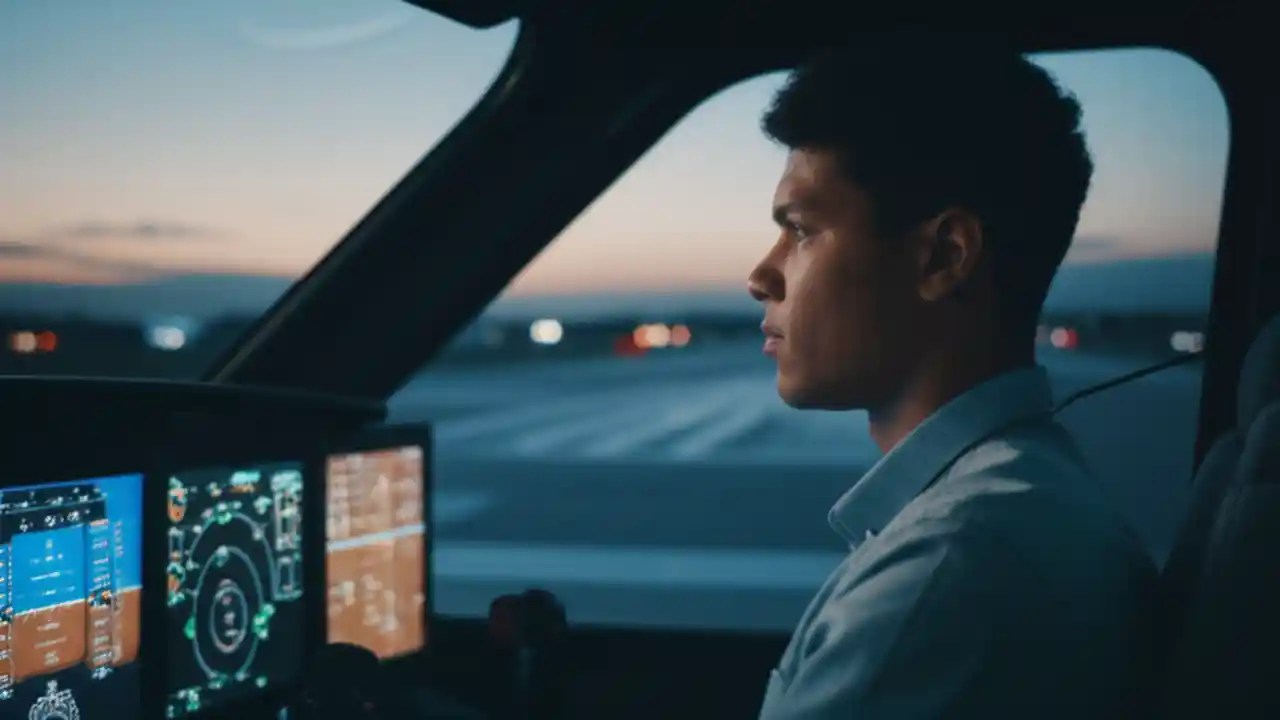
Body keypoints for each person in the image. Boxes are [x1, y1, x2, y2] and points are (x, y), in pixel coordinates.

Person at [747, 38, 1156, 718]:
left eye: (801, 230)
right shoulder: (1020, 503)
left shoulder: (943, 576)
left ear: (943, 256)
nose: (761, 274)